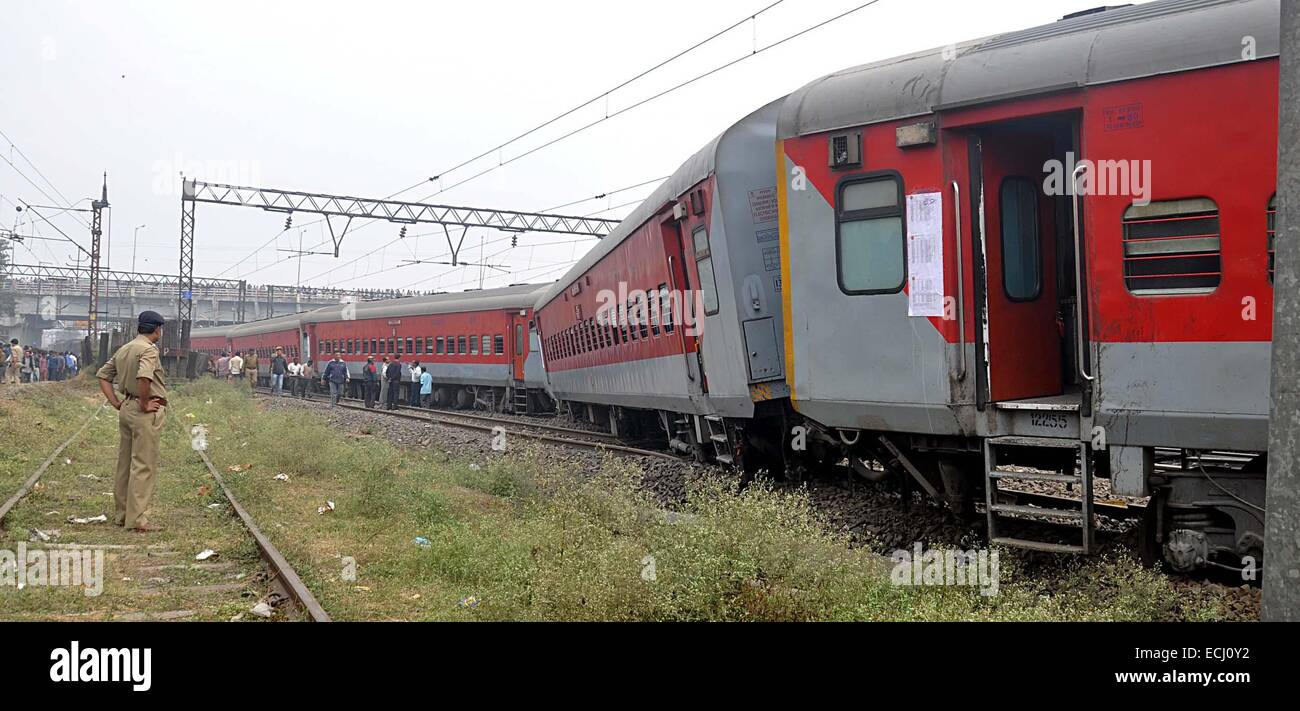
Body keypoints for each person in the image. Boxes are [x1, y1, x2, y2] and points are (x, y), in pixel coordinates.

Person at [95, 310, 169, 533]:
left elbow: (103, 376)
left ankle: (123, 514)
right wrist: (145, 404)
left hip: (126, 407)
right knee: (143, 464)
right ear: (157, 329)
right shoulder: (148, 350)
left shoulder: (125, 348)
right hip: (143, 411)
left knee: (125, 462)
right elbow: (144, 377)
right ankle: (137, 520)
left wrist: (116, 403)